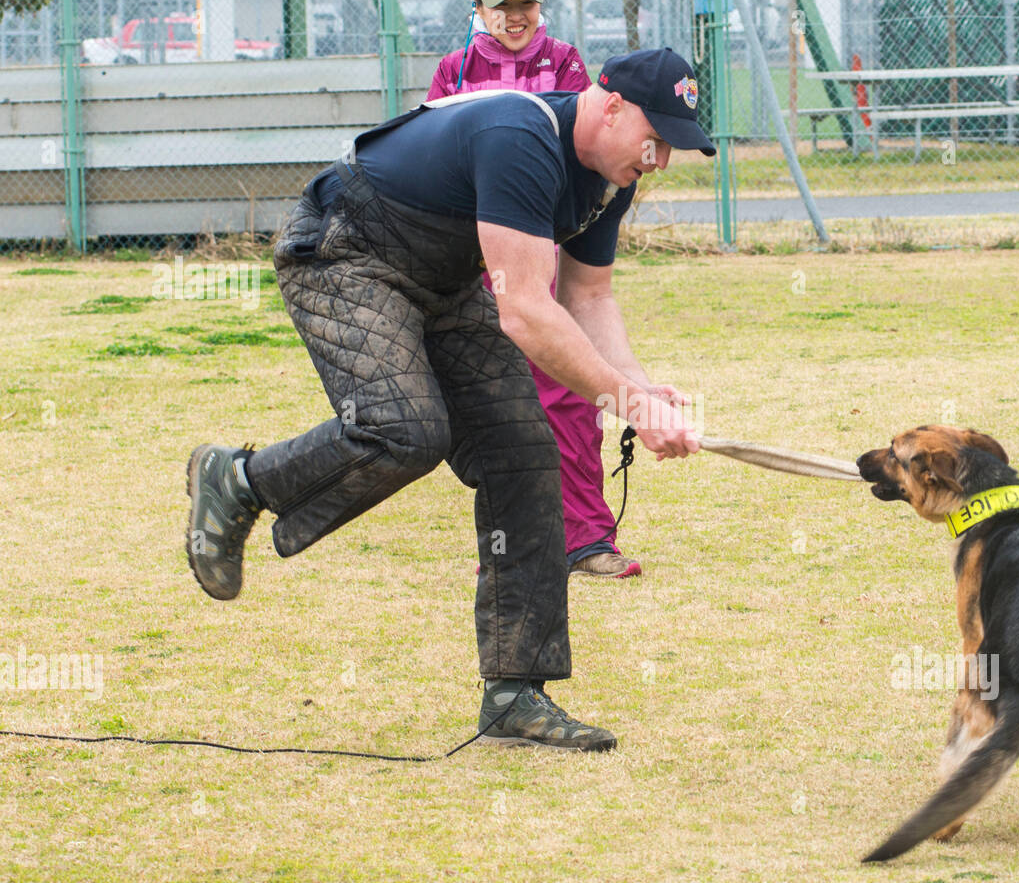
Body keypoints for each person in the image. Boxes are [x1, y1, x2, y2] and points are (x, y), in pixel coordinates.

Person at [186, 48, 714, 752]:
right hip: (348, 249)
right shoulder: (521, 138)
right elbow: (526, 312)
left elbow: (587, 296)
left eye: (674, 147)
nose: (661, 160)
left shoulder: (607, 184)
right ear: (610, 105)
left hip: (449, 280)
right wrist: (630, 403)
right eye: (658, 138)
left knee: (524, 454)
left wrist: (639, 390)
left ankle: (514, 697)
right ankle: (239, 480)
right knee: (404, 428)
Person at [430, 0, 640, 580]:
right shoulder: (455, 69)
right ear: (480, 11)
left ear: (540, 7)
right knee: (489, 404)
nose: (515, 17)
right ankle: (510, 542)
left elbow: (580, 149)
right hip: (472, 259)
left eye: (526, 5)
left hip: (541, 254)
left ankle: (587, 538)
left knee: (571, 391)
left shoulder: (568, 62)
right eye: (502, 6)